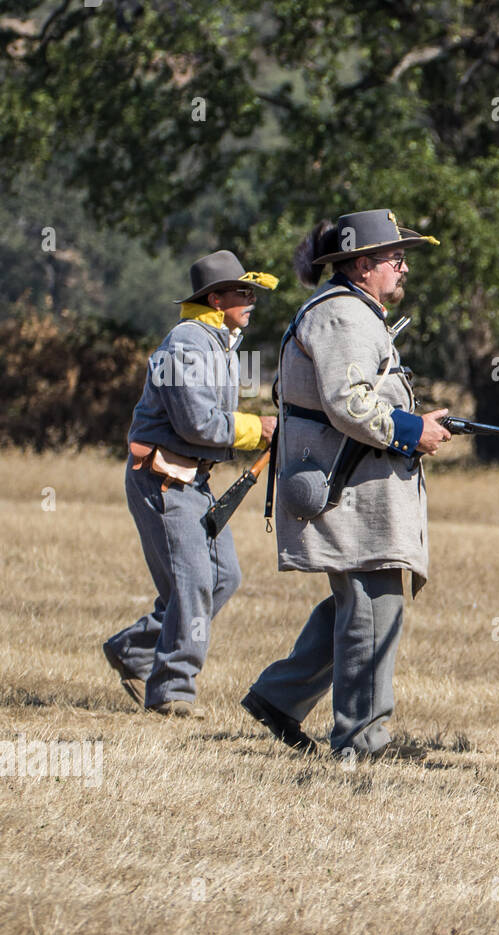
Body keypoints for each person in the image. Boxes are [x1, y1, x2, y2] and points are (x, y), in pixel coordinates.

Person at [240, 209, 451, 757]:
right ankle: (361, 740)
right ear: (363, 265)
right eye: (395, 259)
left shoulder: (352, 311)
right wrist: (413, 430)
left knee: (355, 604)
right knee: (372, 608)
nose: (404, 268)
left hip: (354, 483)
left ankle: (280, 698)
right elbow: (349, 402)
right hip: (350, 488)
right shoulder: (344, 317)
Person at [103, 250, 278, 717]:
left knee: (222, 577)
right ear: (216, 298)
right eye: (244, 292)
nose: (251, 300)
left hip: (190, 479)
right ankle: (173, 691)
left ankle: (133, 651)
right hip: (163, 476)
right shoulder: (188, 343)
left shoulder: (215, 341)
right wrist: (256, 429)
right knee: (195, 580)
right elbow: (198, 425)